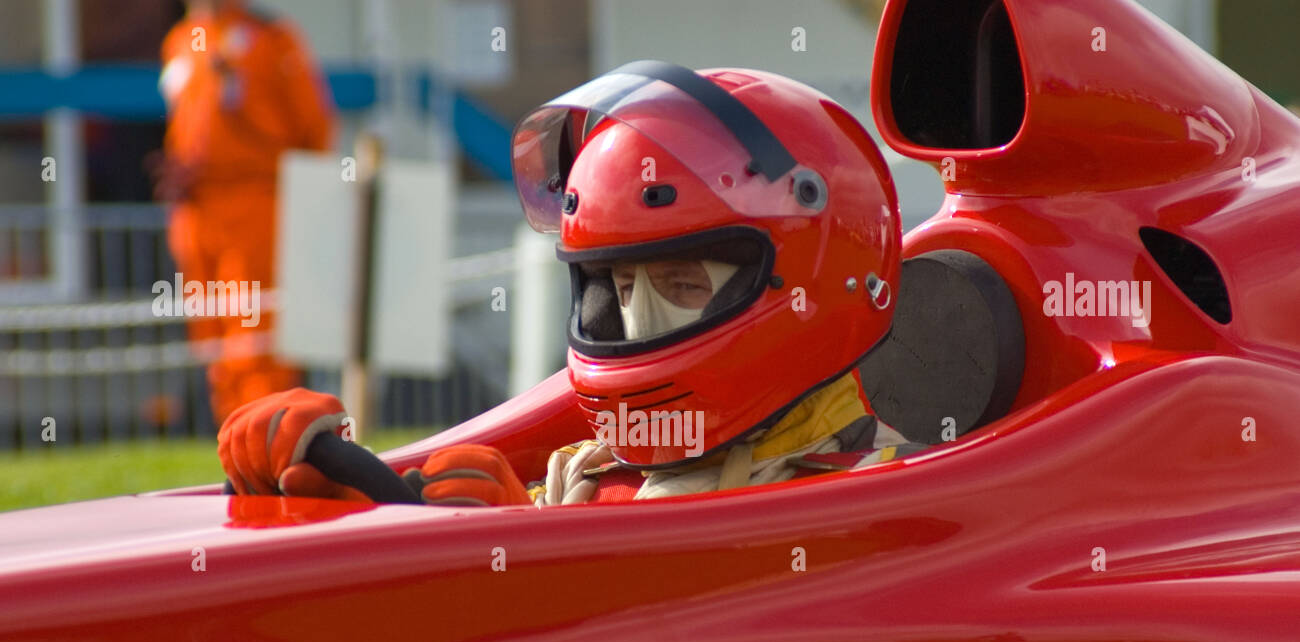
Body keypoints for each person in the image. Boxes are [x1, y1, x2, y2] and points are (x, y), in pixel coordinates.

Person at [218, 63, 925, 505]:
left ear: (807, 285)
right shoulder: (583, 478)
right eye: (615, 291)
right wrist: (349, 504)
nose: (638, 325)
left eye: (681, 283)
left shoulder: (886, 493)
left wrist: (519, 565)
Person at [155, 0, 336, 426]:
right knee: (210, 334)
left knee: (254, 333)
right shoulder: (180, 41)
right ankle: (233, 437)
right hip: (195, 211)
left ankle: (270, 435)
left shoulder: (273, 39)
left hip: (254, 204)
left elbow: (314, 128)